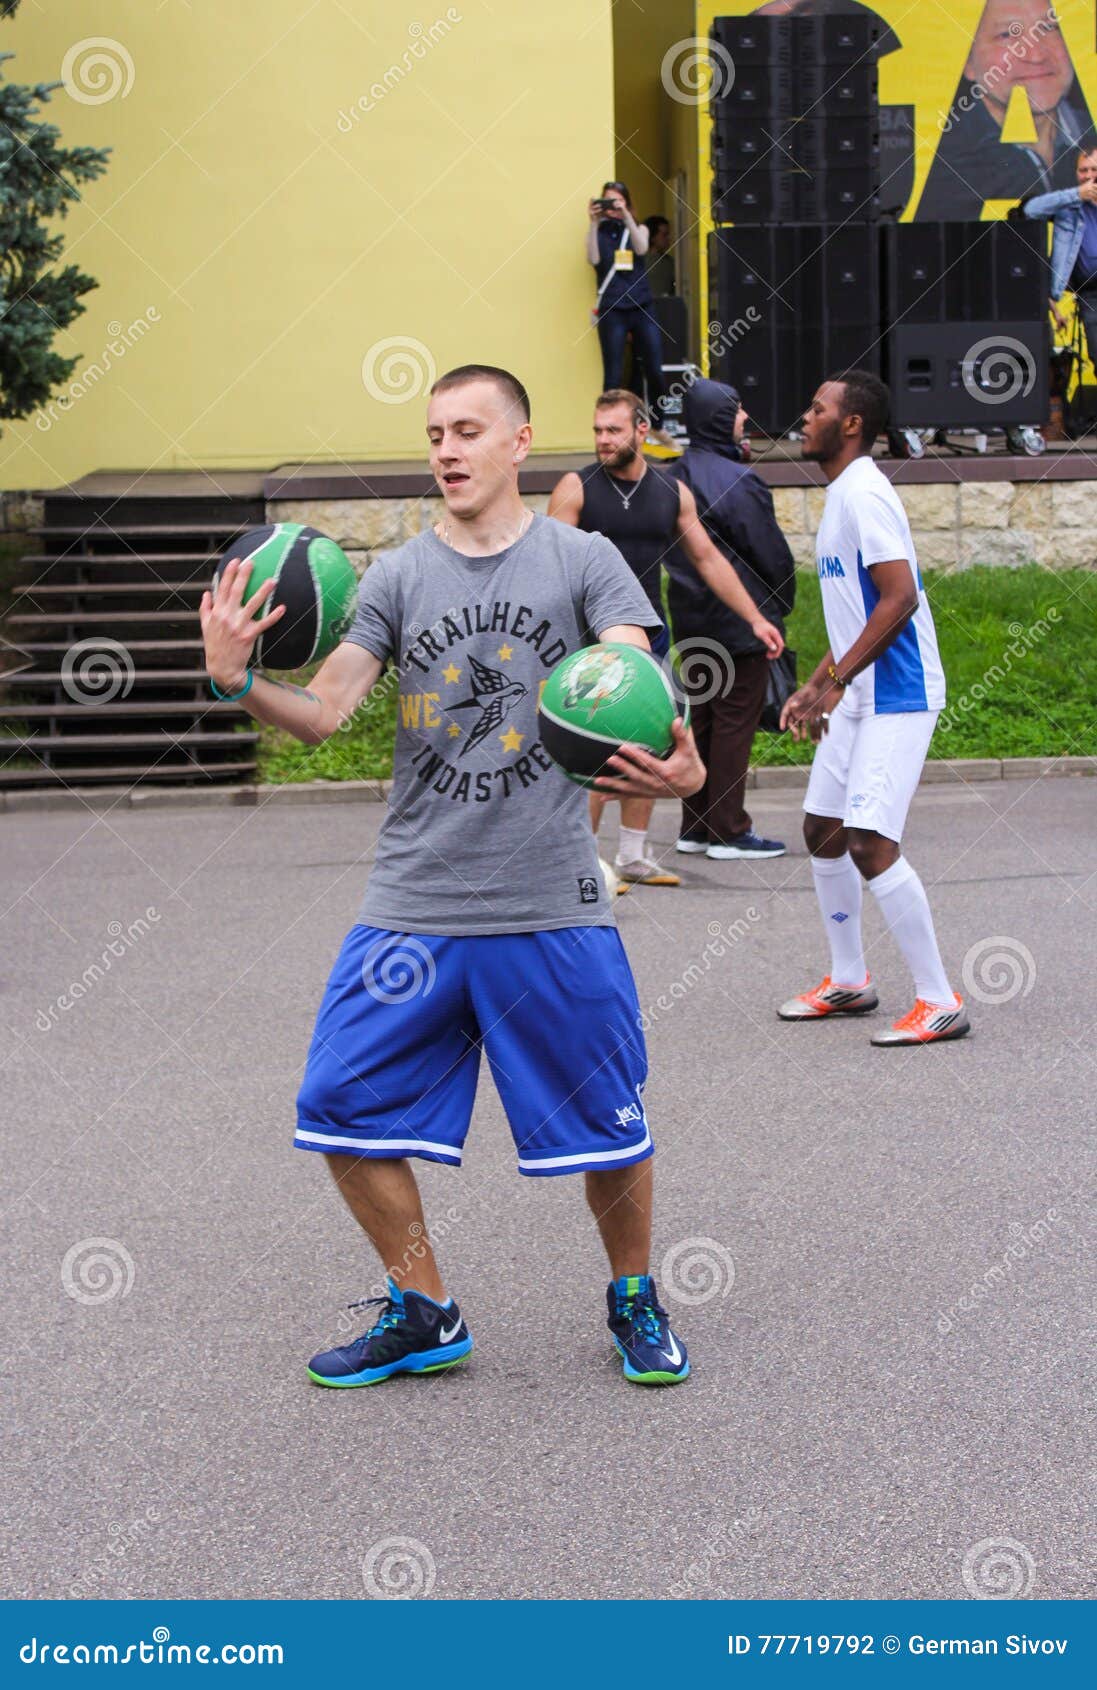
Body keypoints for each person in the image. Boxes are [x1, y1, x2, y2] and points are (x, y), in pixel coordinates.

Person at [200, 364, 706, 1387]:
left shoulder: (581, 560)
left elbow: (630, 684)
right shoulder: (396, 578)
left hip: (550, 900)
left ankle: (633, 1296)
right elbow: (325, 711)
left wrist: (682, 764)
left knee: (609, 1128)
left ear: (518, 444)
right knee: (337, 1107)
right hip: (414, 901)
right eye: (435, 433)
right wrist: (236, 678)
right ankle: (425, 1310)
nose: (446, 450)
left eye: (468, 430)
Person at [778, 370, 970, 1047]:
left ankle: (938, 1000)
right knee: (822, 829)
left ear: (851, 423)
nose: (805, 418)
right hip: (858, 692)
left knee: (869, 841)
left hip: (897, 694)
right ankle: (849, 980)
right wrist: (819, 683)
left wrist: (836, 681)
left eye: (817, 408)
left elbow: (898, 598)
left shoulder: (865, 494)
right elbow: (856, 615)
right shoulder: (840, 496)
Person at [548, 387, 785, 887]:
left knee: (649, 742)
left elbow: (708, 559)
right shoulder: (576, 487)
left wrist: (754, 618)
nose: (603, 439)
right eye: (597, 430)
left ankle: (632, 855)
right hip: (589, 646)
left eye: (613, 430)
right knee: (595, 752)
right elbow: (548, 566)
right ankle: (580, 865)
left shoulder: (671, 491)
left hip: (648, 637)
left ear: (641, 430)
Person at [666, 378, 796, 861]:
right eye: (738, 410)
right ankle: (728, 829)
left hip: (690, 618)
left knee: (701, 720)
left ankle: (696, 825)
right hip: (740, 619)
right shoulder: (739, 480)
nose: (745, 418)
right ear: (721, 418)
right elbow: (769, 553)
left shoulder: (671, 477)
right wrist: (778, 604)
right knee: (735, 723)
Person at [917, 0, 1093, 221]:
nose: (1036, 55)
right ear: (968, 62)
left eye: (1049, 27)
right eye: (1007, 35)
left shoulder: (1088, 129)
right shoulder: (945, 165)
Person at [586, 181, 675, 447]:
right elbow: (593, 259)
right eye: (608, 201)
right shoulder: (599, 231)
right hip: (612, 308)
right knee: (613, 376)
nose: (612, 207)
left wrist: (626, 216)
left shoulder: (639, 228)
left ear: (626, 201)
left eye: (617, 201)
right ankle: (610, 432)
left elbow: (641, 248)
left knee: (654, 369)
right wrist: (593, 223)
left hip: (641, 305)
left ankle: (657, 425)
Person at [1024, 138, 1097, 376]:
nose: (1088, 176)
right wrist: (1076, 194)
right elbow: (1031, 210)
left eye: (1094, 169)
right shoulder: (1069, 206)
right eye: (1083, 170)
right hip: (1091, 294)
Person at [643, 215, 675, 298]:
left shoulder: (670, 262)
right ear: (652, 237)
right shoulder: (639, 262)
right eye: (664, 235)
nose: (669, 238)